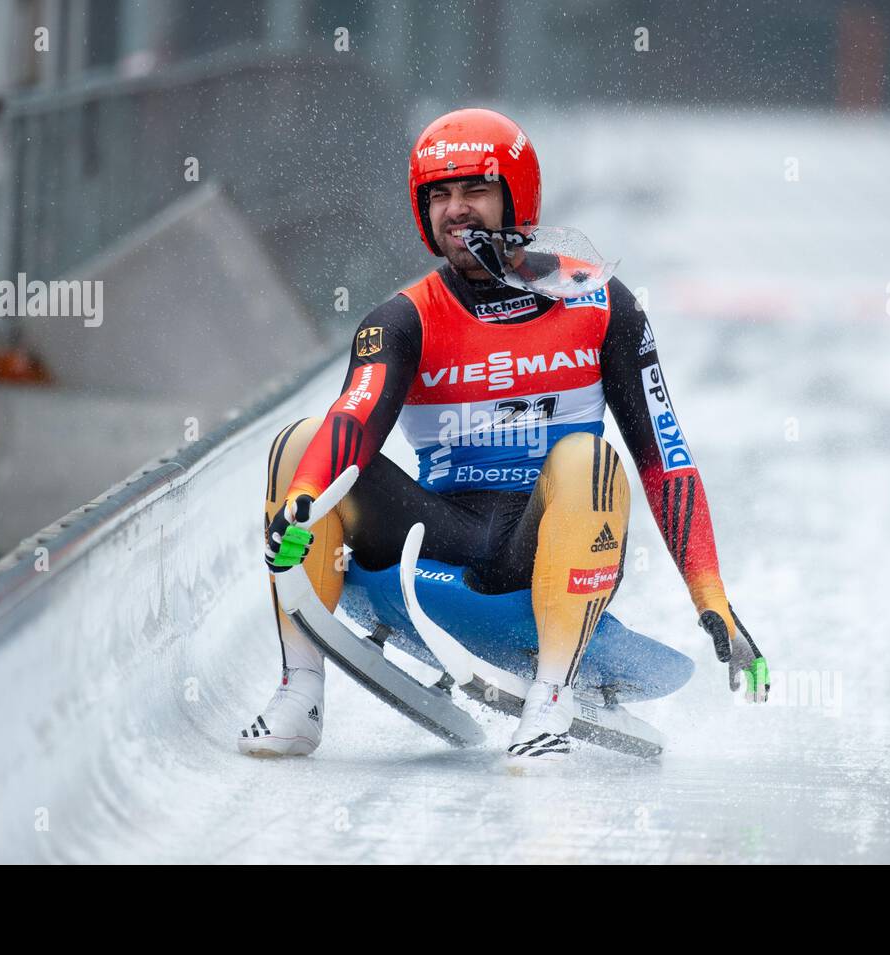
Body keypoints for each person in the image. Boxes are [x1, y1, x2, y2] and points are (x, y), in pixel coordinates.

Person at [239, 108, 767, 763]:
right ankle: (300, 691)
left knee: (588, 456)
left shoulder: (601, 303)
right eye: (439, 195)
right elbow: (355, 416)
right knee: (301, 442)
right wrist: (305, 499)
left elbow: (665, 457)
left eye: (475, 191)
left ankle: (551, 700)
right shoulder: (403, 318)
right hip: (441, 542)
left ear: (516, 196)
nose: (456, 209)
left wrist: (710, 593)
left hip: (543, 549)